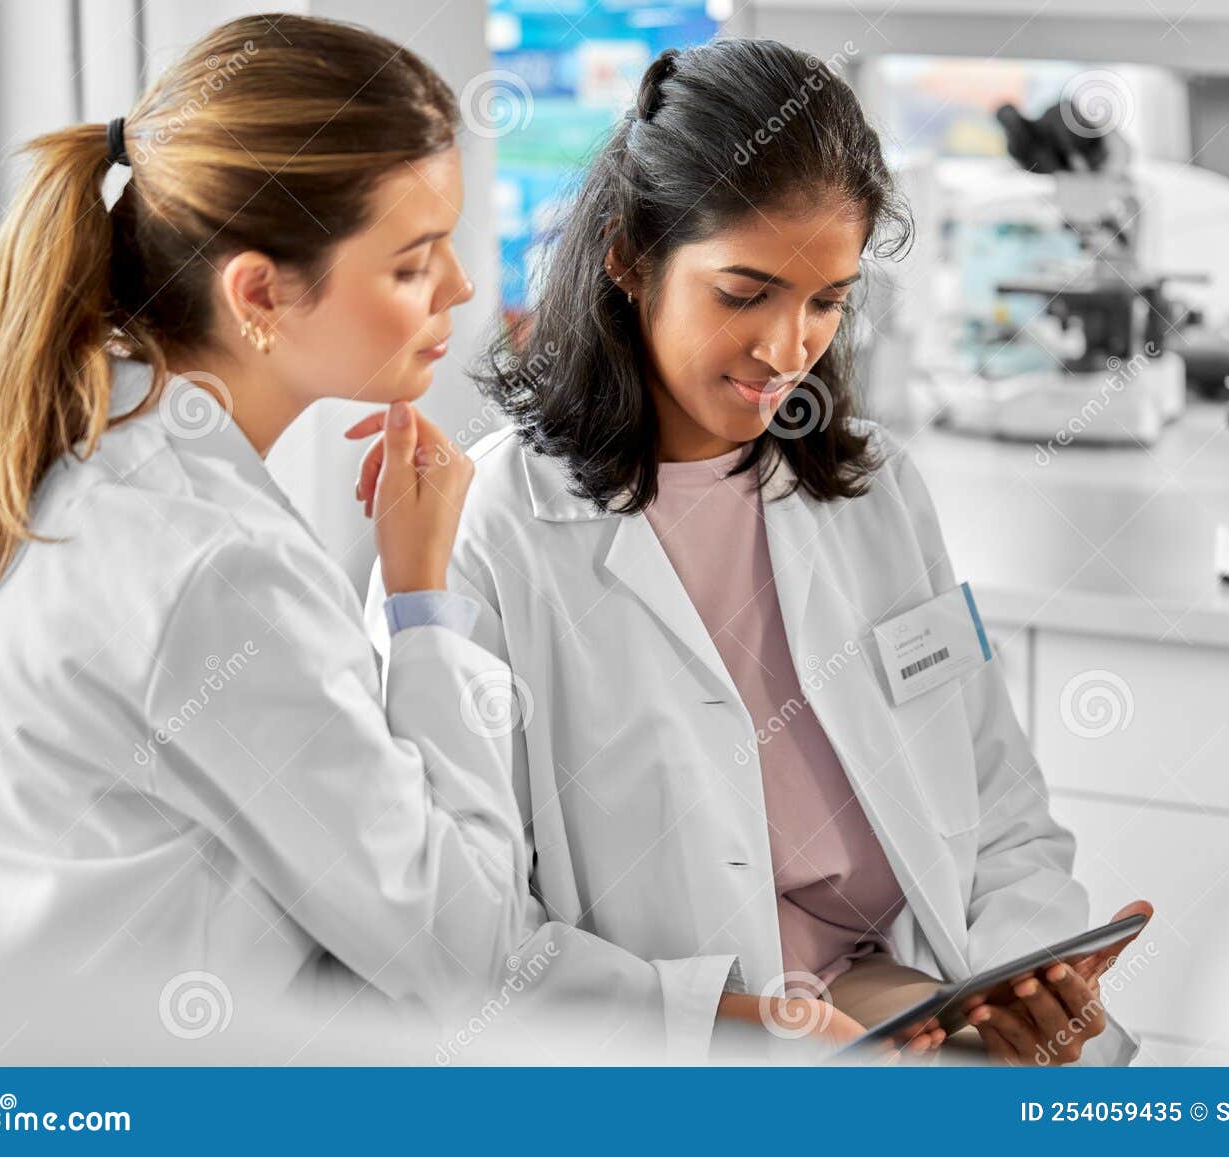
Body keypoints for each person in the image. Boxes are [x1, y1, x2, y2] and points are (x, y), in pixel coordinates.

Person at [354, 38, 1152, 1063]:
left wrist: (1025, 976)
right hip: (683, 1052)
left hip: (898, 1004)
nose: (787, 350)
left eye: (825, 302)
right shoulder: (485, 530)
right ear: (627, 256)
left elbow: (996, 806)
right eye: (745, 293)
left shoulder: (873, 489)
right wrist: (752, 1030)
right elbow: (472, 940)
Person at [0, 14, 523, 1017]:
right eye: (413, 261)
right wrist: (420, 601)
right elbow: (469, 953)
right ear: (260, 295)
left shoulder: (85, 450)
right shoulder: (215, 564)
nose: (458, 283)